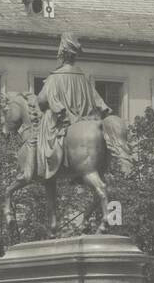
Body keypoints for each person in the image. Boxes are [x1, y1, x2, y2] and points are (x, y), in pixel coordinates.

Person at [34, 32, 112, 181]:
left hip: (62, 122)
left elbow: (42, 100)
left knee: (38, 140)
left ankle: (43, 167)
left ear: (62, 55)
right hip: (84, 121)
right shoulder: (82, 78)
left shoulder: (55, 77)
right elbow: (99, 103)